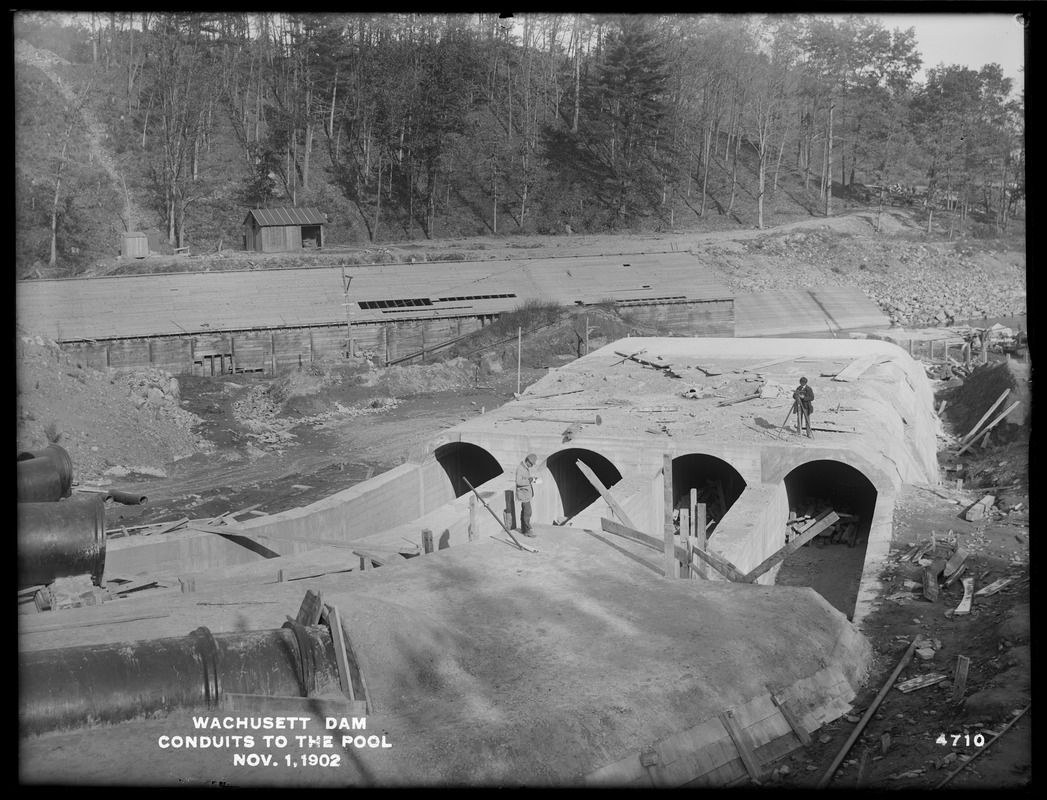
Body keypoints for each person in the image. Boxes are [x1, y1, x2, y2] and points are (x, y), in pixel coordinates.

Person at [515, 453, 538, 537]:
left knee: (524, 512)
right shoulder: (520, 469)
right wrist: (529, 480)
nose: (532, 465)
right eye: (531, 463)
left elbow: (523, 479)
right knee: (528, 512)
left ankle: (524, 529)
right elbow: (518, 482)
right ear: (527, 461)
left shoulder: (525, 468)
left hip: (526, 494)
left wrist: (530, 479)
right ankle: (527, 531)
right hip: (523, 494)